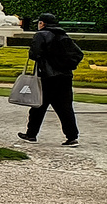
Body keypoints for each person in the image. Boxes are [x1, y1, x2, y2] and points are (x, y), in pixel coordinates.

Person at [21, 13, 83, 146]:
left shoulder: (41, 35)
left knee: (38, 106)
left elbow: (34, 54)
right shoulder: (63, 35)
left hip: (47, 76)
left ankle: (31, 134)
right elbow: (78, 54)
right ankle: (72, 137)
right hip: (65, 76)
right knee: (65, 108)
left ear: (42, 23)